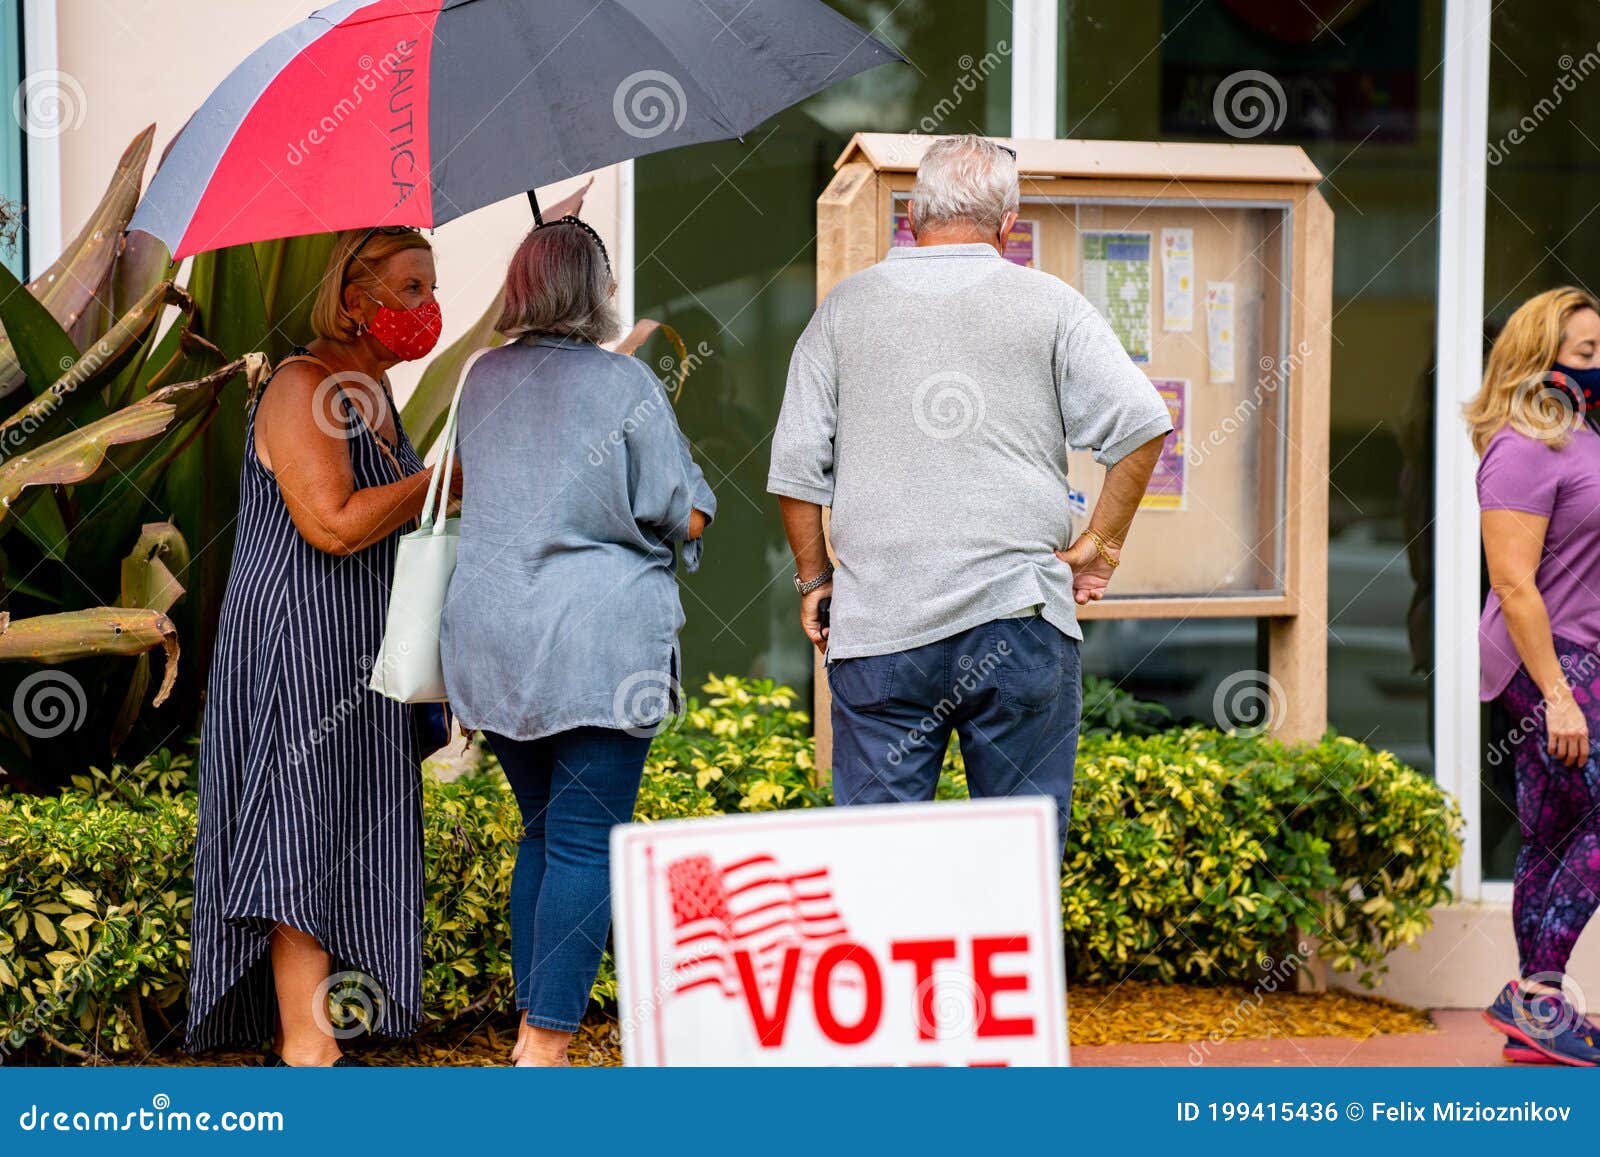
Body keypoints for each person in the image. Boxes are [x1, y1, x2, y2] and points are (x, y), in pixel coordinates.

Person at [767, 134, 1171, 860]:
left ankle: (897, 976)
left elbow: (796, 470)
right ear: (1007, 222)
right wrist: (1101, 545)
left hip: (882, 628)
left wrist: (815, 579)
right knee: (1016, 871)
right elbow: (1142, 425)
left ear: (913, 216)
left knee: (877, 867)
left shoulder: (844, 310)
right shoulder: (1052, 304)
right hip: (1017, 620)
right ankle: (994, 980)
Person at [439, 216, 714, 1068]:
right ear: (594, 292)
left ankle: (532, 1028)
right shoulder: (624, 383)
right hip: (596, 642)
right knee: (587, 840)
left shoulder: (479, 378)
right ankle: (547, 1044)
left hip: (492, 639)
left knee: (544, 833)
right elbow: (681, 508)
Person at [186, 225, 457, 1065]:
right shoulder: (304, 386)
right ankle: (308, 1043)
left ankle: (328, 1025)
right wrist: (444, 476)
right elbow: (332, 525)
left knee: (342, 819)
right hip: (296, 647)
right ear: (353, 300)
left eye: (431, 286)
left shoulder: (370, 397)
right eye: (410, 289)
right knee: (299, 823)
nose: (428, 308)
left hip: (357, 654)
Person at [1467, 286, 1600, 1066]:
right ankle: (1533, 1001)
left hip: (1584, 654)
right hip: (1545, 661)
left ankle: (1538, 1014)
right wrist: (1558, 695)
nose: (1597, 365)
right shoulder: (1522, 445)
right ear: (1537, 358)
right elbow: (1515, 585)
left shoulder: (1581, 433)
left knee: (1551, 836)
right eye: (1584, 354)